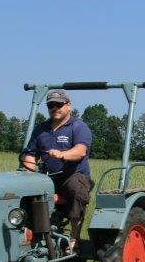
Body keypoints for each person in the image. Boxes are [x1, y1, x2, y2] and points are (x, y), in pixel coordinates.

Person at [21, 89, 93, 252]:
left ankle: (74, 238)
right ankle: (29, 234)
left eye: (59, 104)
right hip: (47, 178)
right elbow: (31, 154)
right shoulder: (41, 129)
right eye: (51, 105)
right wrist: (28, 172)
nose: (55, 108)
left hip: (72, 176)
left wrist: (62, 155)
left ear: (68, 106)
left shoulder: (78, 127)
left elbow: (80, 151)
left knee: (76, 188)